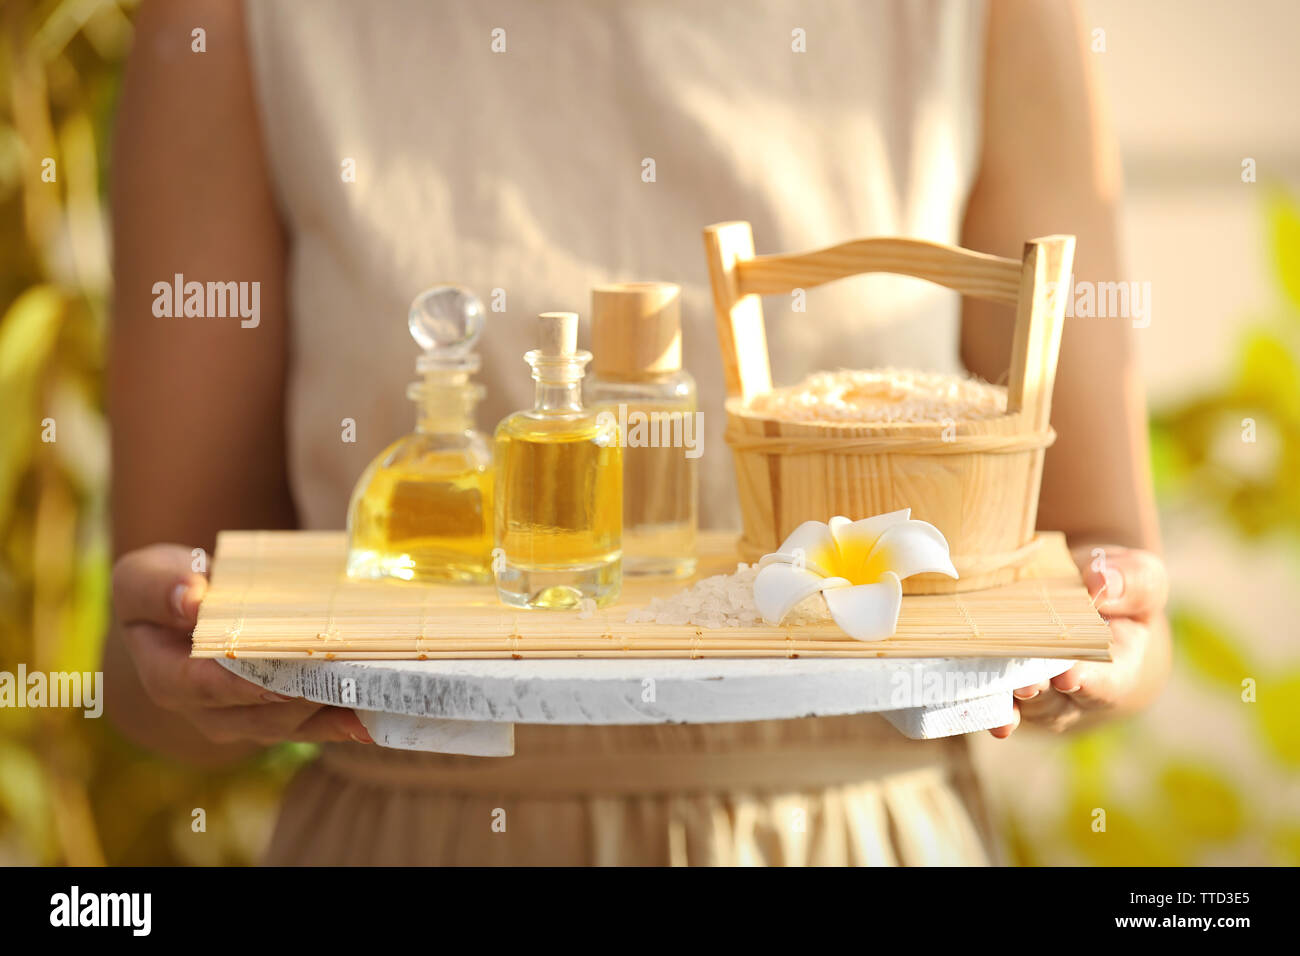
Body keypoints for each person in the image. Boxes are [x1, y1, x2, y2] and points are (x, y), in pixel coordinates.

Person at [106, 0, 1169, 865]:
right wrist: (192, 663)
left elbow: (1111, 585)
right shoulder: (230, 20)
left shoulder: (987, 15)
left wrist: (1093, 647)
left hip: (853, 837)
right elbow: (153, 656)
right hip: (418, 837)